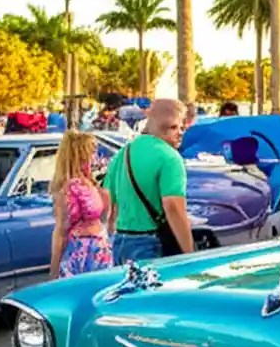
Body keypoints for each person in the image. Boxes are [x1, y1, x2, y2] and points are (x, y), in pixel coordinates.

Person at [104, 98, 194, 263]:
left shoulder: (123, 152)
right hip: (149, 244)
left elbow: (108, 199)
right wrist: (189, 253)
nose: (181, 133)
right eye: (175, 127)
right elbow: (173, 206)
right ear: (161, 127)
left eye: (182, 127)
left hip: (120, 242)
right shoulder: (169, 157)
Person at [49, 131, 113, 278]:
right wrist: (54, 269)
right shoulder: (72, 188)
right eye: (91, 153)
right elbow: (61, 231)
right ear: (80, 156)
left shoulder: (82, 185)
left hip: (90, 250)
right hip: (86, 252)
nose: (95, 158)